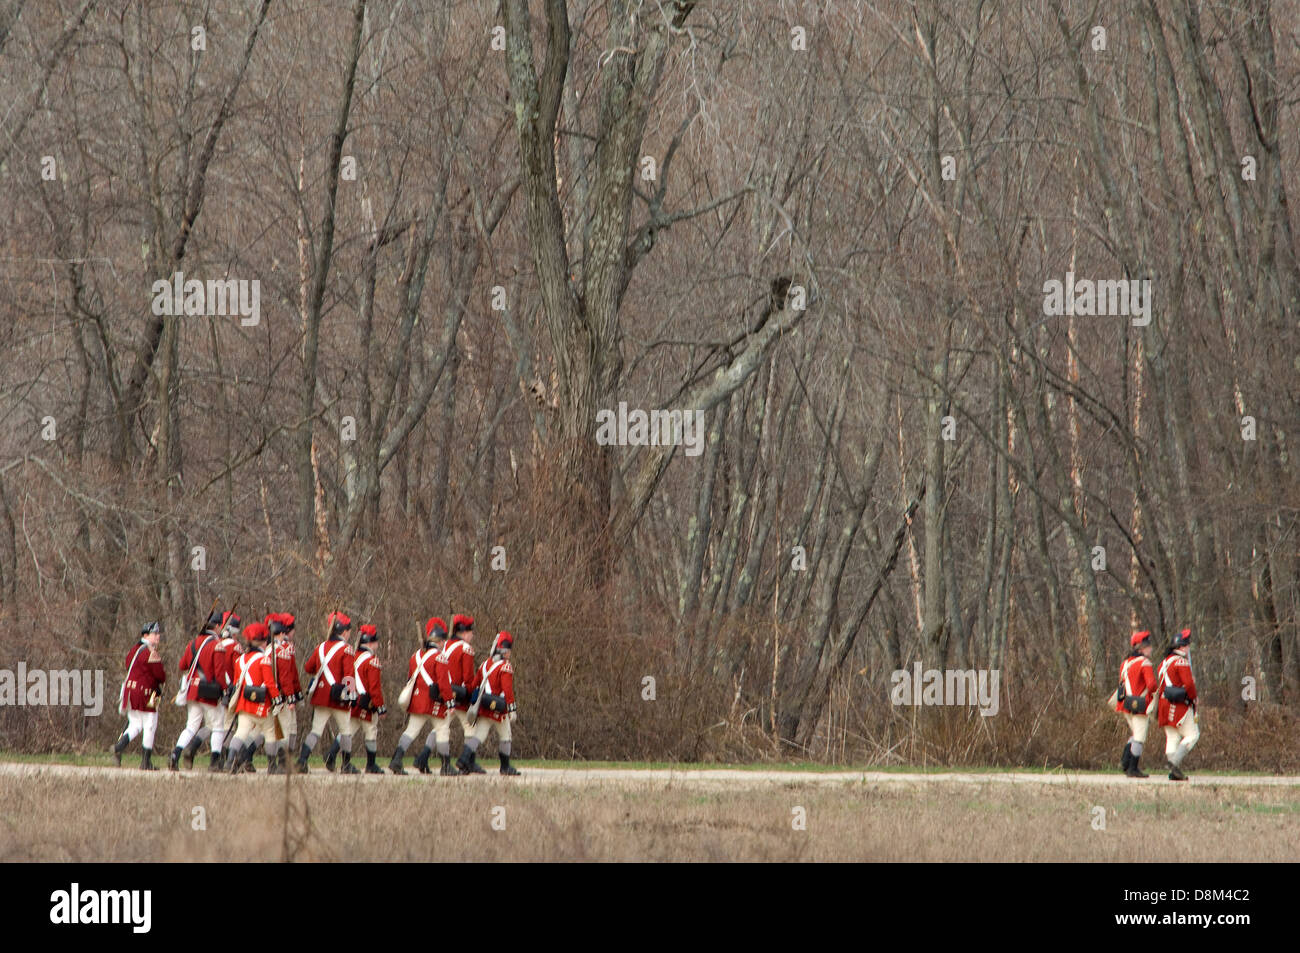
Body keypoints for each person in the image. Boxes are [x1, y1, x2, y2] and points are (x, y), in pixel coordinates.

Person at [389, 617, 455, 775]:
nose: (444, 645)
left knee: (411, 731)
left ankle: (396, 759)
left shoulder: (415, 656)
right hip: (433, 702)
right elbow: (444, 684)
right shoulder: (439, 657)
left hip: (417, 701)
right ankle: (446, 766)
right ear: (439, 641)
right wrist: (450, 703)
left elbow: (410, 677)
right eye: (443, 642)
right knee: (443, 729)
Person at [298, 611, 359, 774]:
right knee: (346, 731)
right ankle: (346, 765)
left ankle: (302, 761)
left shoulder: (321, 647)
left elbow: (308, 668)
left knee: (315, 731)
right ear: (344, 631)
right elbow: (348, 675)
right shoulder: (347, 649)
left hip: (321, 696)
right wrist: (351, 695)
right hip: (339, 697)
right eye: (349, 631)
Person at [168, 611, 226, 771]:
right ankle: (214, 762)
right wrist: (225, 690)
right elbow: (220, 673)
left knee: (191, 727)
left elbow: (182, 665)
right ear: (217, 626)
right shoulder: (217, 645)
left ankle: (175, 753)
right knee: (218, 726)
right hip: (209, 692)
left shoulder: (192, 643)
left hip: (193, 690)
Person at [222, 622, 281, 773]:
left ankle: (229, 761)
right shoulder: (264, 660)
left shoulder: (240, 660)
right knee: (269, 732)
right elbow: (269, 683)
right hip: (261, 706)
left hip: (244, 704)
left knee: (241, 732)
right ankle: (272, 765)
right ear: (263, 641)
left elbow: (236, 683)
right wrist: (277, 699)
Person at [329, 623, 385, 773]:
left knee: (348, 731)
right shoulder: (372, 660)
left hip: (353, 701)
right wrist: (381, 706)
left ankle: (331, 755)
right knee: (371, 732)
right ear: (371, 643)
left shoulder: (353, 656)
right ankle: (371, 765)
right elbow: (374, 688)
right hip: (367, 704)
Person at [112, 622, 167, 770]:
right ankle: (146, 762)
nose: (158, 636)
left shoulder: (134, 650)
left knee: (135, 723)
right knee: (150, 724)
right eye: (154, 634)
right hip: (147, 693)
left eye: (157, 633)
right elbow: (161, 676)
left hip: (130, 690)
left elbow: (127, 664)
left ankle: (119, 746)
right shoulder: (150, 652)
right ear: (145, 636)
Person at [465, 632, 520, 776]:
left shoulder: (484, 664)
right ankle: (505, 766)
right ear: (504, 651)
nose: (509, 654)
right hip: (499, 709)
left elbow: (474, 685)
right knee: (506, 736)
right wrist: (512, 709)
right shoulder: (505, 667)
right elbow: (508, 691)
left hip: (484, 707)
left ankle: (463, 759)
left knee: (479, 736)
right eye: (508, 651)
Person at [1157, 628, 1199, 781]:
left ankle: (1174, 772)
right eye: (1187, 645)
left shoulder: (1164, 662)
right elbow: (1188, 684)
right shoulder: (1181, 661)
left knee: (1172, 737)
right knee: (1193, 735)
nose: (1188, 648)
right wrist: (1194, 698)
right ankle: (1173, 764)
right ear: (1182, 646)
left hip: (1164, 704)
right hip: (1179, 704)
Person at [1115, 630, 1157, 778]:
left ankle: (1125, 762)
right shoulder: (1144, 663)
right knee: (1139, 737)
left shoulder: (1125, 663)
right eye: (1148, 646)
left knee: (1135, 734)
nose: (1151, 649)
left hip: (1126, 704)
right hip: (1140, 704)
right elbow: (1151, 685)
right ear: (1141, 649)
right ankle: (1132, 768)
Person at [445, 614, 484, 774]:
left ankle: (423, 758)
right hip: (460, 695)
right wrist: (471, 696)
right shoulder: (466, 648)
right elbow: (468, 677)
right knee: (471, 728)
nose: (472, 635)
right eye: (470, 632)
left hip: (445, 694)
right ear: (464, 632)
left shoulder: (446, 645)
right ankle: (468, 762)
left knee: (439, 728)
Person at [265, 612, 302, 774]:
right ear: (281, 634)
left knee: (268, 731)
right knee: (284, 730)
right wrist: (291, 697)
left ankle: (272, 765)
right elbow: (287, 677)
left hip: (267, 696)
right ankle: (282, 764)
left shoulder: (266, 650)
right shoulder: (282, 650)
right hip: (280, 696)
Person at [209, 611, 242, 771]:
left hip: (213, 687)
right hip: (228, 688)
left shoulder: (215, 643)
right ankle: (226, 757)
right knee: (227, 725)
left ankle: (192, 750)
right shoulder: (235, 647)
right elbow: (238, 669)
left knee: (214, 724)